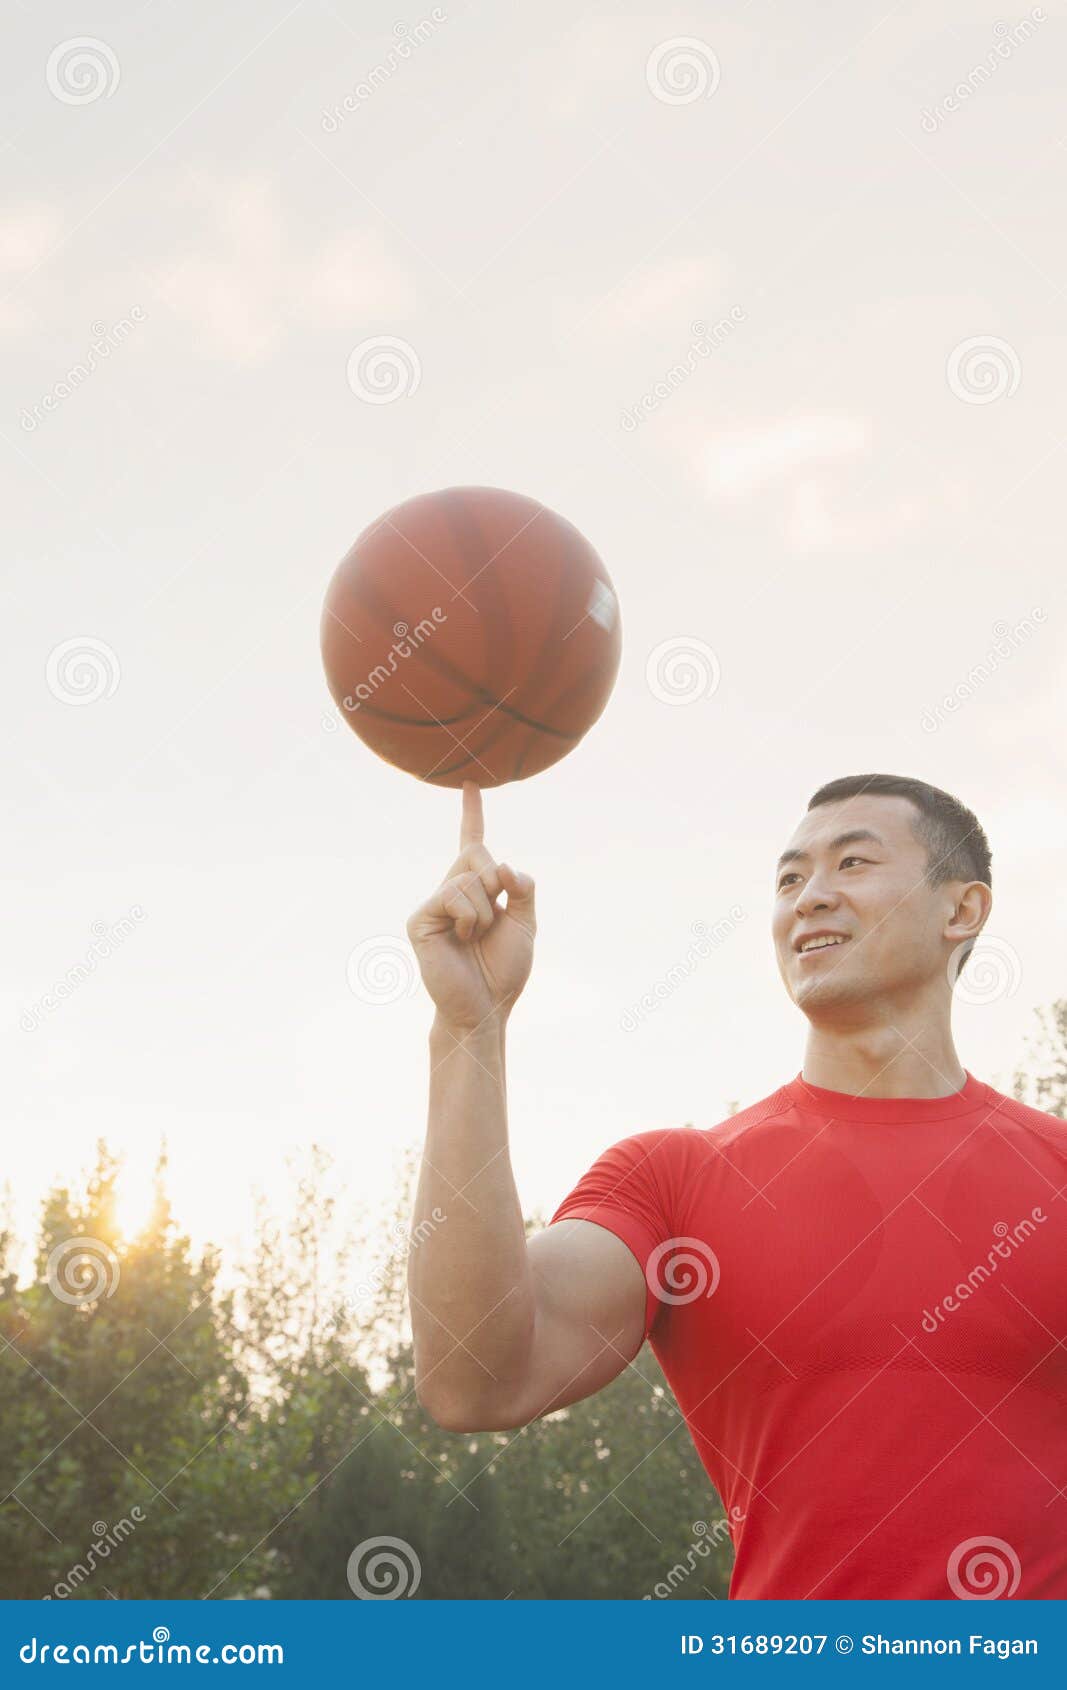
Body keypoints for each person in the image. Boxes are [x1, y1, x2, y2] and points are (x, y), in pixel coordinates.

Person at [405, 772, 1067, 1599]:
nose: (810, 897)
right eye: (789, 880)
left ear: (961, 911)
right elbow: (476, 1379)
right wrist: (470, 1029)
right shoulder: (673, 1181)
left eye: (852, 864)